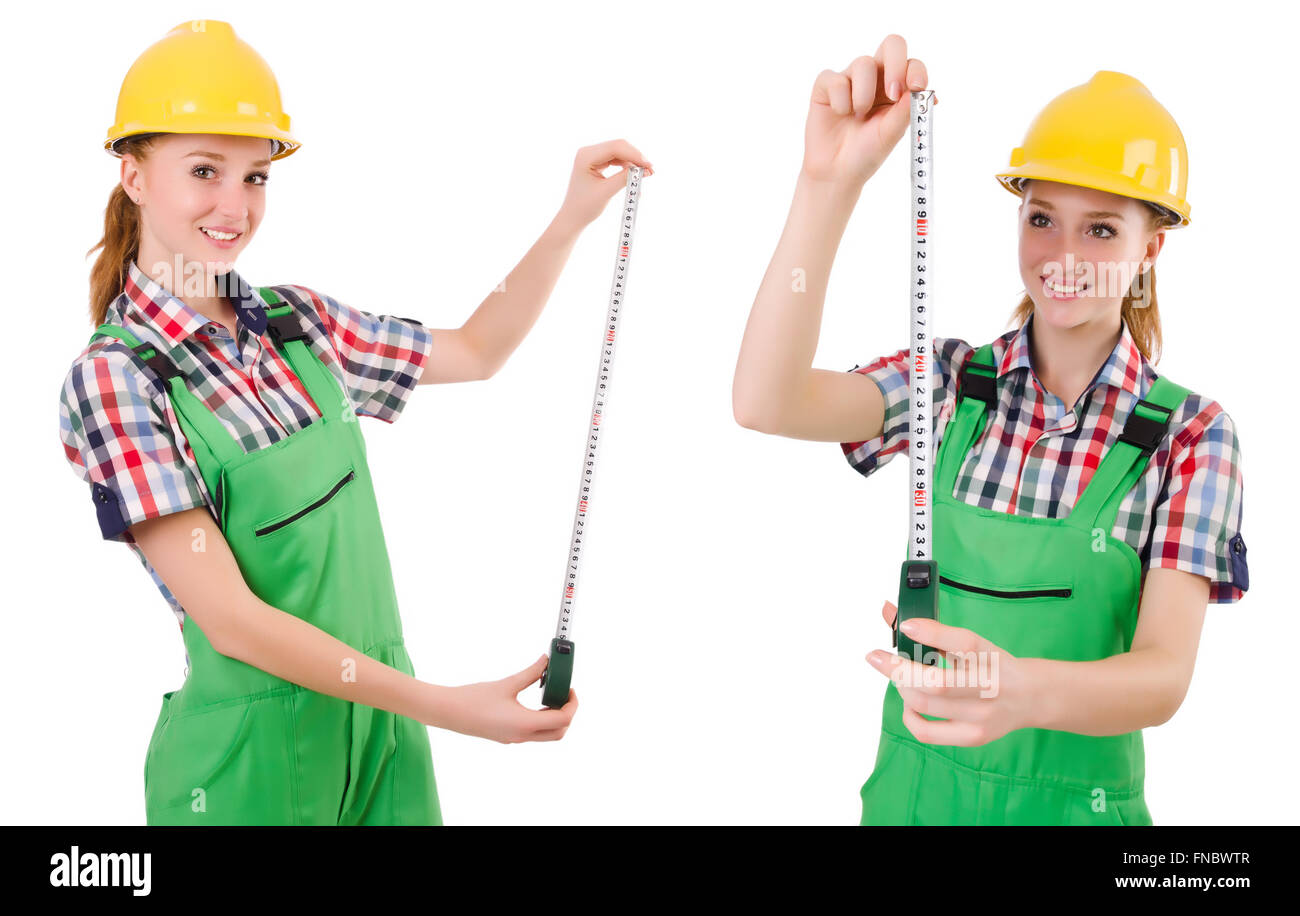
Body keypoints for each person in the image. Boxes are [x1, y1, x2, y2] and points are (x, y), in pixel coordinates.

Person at [58, 19, 652, 825]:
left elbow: (477, 348)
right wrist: (450, 707)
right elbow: (232, 621)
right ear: (133, 176)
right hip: (246, 769)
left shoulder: (296, 322)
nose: (235, 206)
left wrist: (570, 218)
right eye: (204, 171)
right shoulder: (115, 378)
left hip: (382, 734)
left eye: (256, 177)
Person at [732, 34, 1247, 825]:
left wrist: (1017, 691)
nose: (1063, 254)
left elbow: (1162, 678)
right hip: (913, 800)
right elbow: (766, 400)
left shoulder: (1190, 435)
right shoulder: (950, 383)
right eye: (1042, 218)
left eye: (1102, 229)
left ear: (1153, 250)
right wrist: (826, 185)